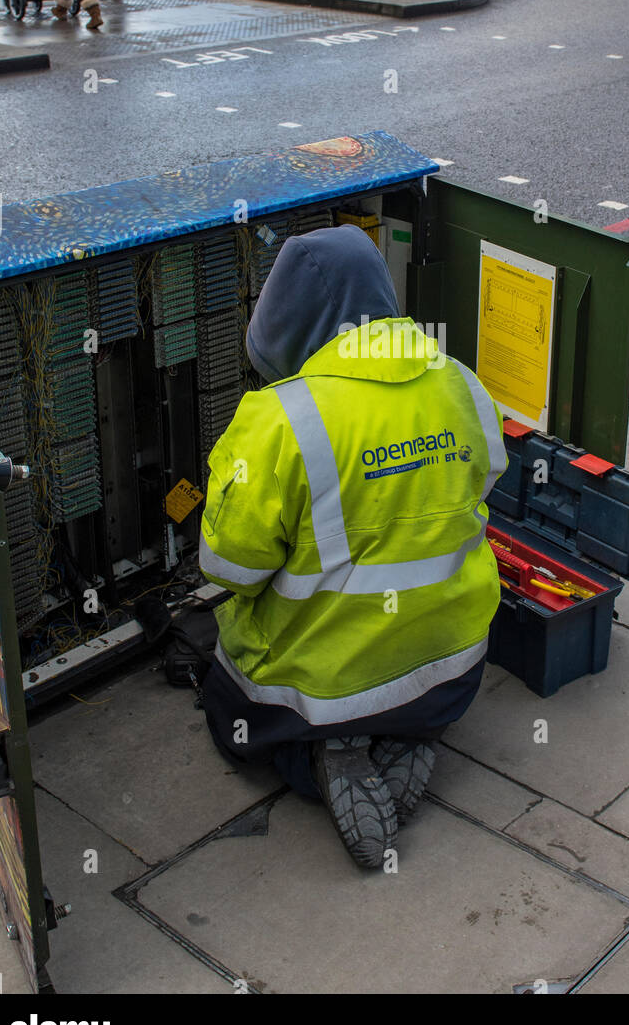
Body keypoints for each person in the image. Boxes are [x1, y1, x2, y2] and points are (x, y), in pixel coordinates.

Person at [198, 224, 506, 869]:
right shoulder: (460, 381)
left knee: (228, 709)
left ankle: (320, 760)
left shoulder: (280, 417)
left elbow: (230, 565)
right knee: (414, 689)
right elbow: (484, 480)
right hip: (451, 667)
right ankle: (412, 731)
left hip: (321, 688)